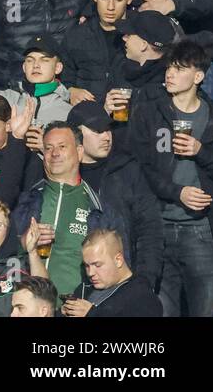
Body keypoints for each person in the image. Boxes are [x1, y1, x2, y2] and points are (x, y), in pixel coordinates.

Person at [128, 39, 213, 316]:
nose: (170, 74)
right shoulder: (150, 109)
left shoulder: (212, 116)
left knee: (204, 309)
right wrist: (177, 192)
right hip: (158, 225)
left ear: (198, 76)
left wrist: (201, 151)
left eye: (179, 69)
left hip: (200, 229)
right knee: (162, 311)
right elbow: (140, 165)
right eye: (169, 68)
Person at [13, 121, 128, 299]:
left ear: (80, 152)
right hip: (32, 305)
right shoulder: (26, 201)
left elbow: (120, 271)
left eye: (62, 146)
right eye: (48, 148)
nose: (54, 153)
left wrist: (93, 307)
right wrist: (22, 242)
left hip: (76, 307)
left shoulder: (100, 209)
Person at [72, 101, 163, 291]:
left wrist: (145, 279)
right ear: (76, 135)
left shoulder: (127, 170)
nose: (106, 137)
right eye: (97, 131)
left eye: (108, 129)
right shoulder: (63, 175)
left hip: (123, 285)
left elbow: (149, 227)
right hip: (74, 285)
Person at [61, 0, 131, 100]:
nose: (110, 7)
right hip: (87, 115)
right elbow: (65, 77)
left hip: (129, 115)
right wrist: (70, 91)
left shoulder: (139, 36)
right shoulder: (76, 35)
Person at [67, 228, 165, 316]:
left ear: (118, 260)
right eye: (87, 266)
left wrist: (92, 314)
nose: (90, 273)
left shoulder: (142, 298)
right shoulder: (85, 289)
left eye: (97, 265)